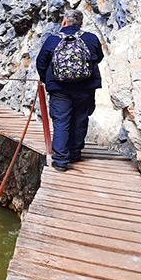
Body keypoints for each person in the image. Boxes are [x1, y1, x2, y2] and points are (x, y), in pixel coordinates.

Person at [35, 9, 104, 171]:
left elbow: (41, 62)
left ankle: (60, 160)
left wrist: (48, 80)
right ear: (81, 24)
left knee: (61, 121)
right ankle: (74, 153)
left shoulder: (52, 40)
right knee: (80, 118)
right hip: (85, 88)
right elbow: (98, 57)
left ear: (64, 22)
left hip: (60, 89)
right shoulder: (90, 38)